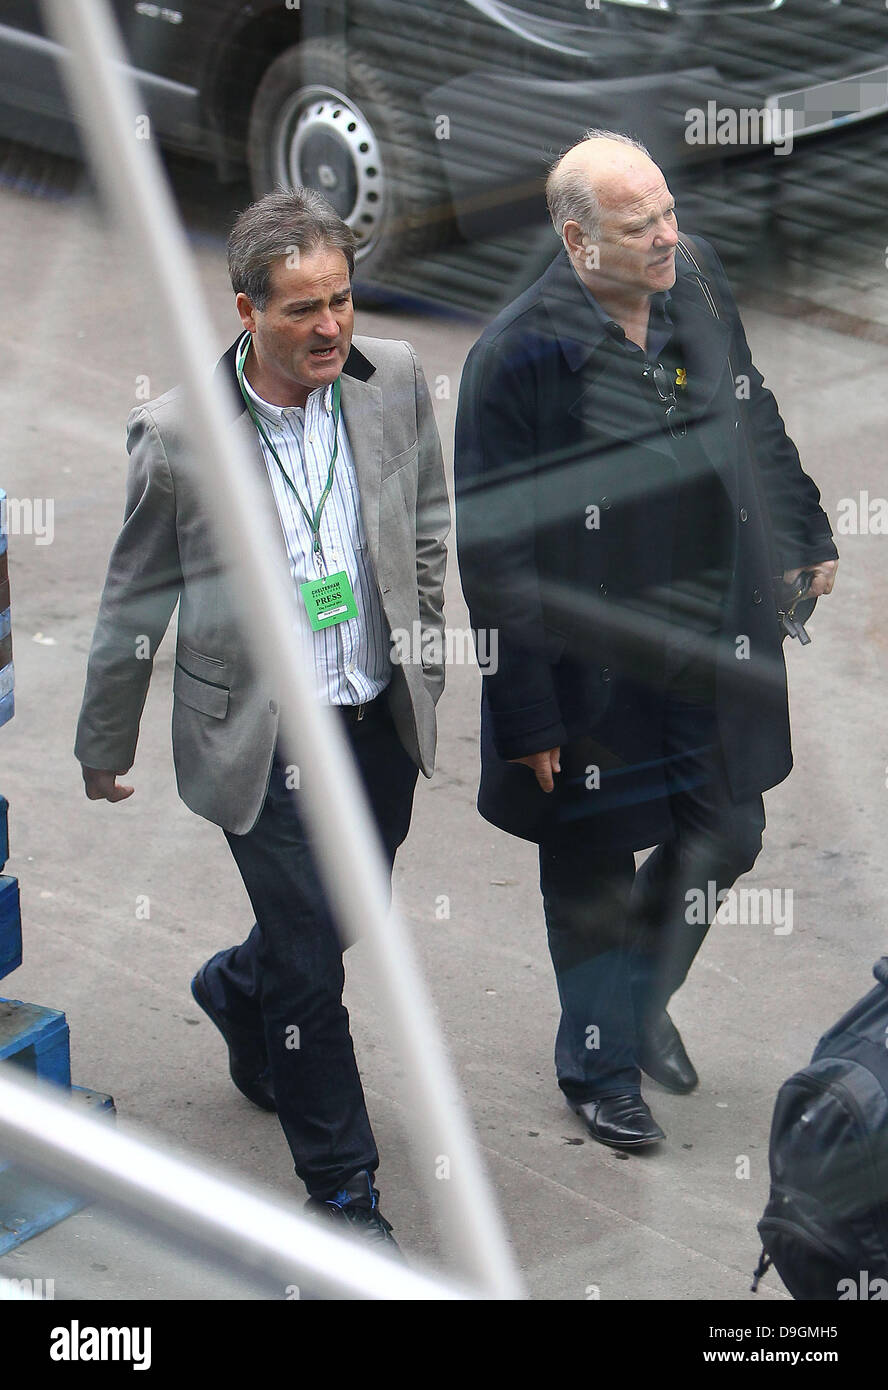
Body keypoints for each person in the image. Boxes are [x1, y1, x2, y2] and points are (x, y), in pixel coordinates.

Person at [75, 188, 449, 1246]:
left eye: (339, 299)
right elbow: (133, 602)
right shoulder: (180, 436)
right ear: (248, 311)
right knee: (309, 958)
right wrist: (106, 742)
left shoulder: (393, 384)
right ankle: (343, 1191)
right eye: (300, 310)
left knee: (348, 916)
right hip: (264, 740)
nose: (330, 325)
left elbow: (426, 521)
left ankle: (232, 993)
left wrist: (425, 647)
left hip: (373, 714)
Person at [454, 130, 837, 1150]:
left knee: (730, 831)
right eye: (640, 226)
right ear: (579, 243)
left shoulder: (695, 283)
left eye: (667, 211)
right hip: (590, 671)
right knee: (592, 867)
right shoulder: (516, 359)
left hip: (709, 640)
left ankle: (635, 1000)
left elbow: (753, 414)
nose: (670, 235)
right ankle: (598, 1063)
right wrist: (527, 711)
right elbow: (494, 557)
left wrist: (801, 527)